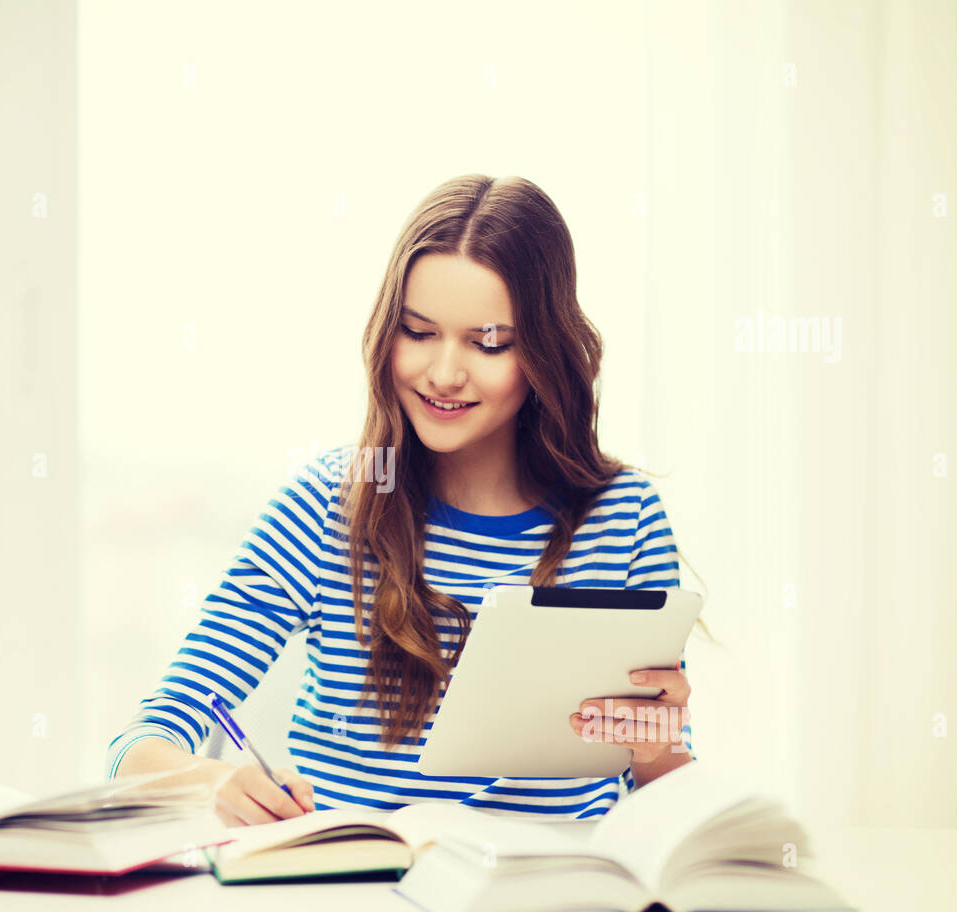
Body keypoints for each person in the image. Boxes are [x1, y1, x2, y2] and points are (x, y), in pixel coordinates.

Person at [107, 174, 697, 827]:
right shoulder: (328, 505)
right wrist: (212, 781)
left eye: (488, 342)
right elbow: (137, 749)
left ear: (542, 350)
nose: (444, 373)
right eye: (419, 332)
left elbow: (664, 802)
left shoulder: (624, 515)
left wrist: (658, 743)